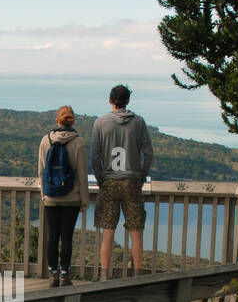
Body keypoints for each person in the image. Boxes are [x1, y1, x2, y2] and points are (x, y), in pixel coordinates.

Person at [90, 84, 153, 280]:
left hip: (109, 181)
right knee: (136, 231)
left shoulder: (100, 123)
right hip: (132, 181)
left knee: (108, 231)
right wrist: (142, 174)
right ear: (128, 101)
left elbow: (94, 156)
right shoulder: (139, 122)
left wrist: (101, 177)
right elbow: (148, 152)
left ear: (110, 101)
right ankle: (137, 276)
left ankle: (104, 275)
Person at [37, 105, 90, 286]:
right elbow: (82, 175)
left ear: (57, 120)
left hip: (51, 197)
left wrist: (44, 194)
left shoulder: (46, 140)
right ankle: (65, 274)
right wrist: (84, 200)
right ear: (72, 120)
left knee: (53, 236)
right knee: (66, 237)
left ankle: (53, 275)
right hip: (72, 198)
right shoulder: (79, 142)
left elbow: (41, 171)